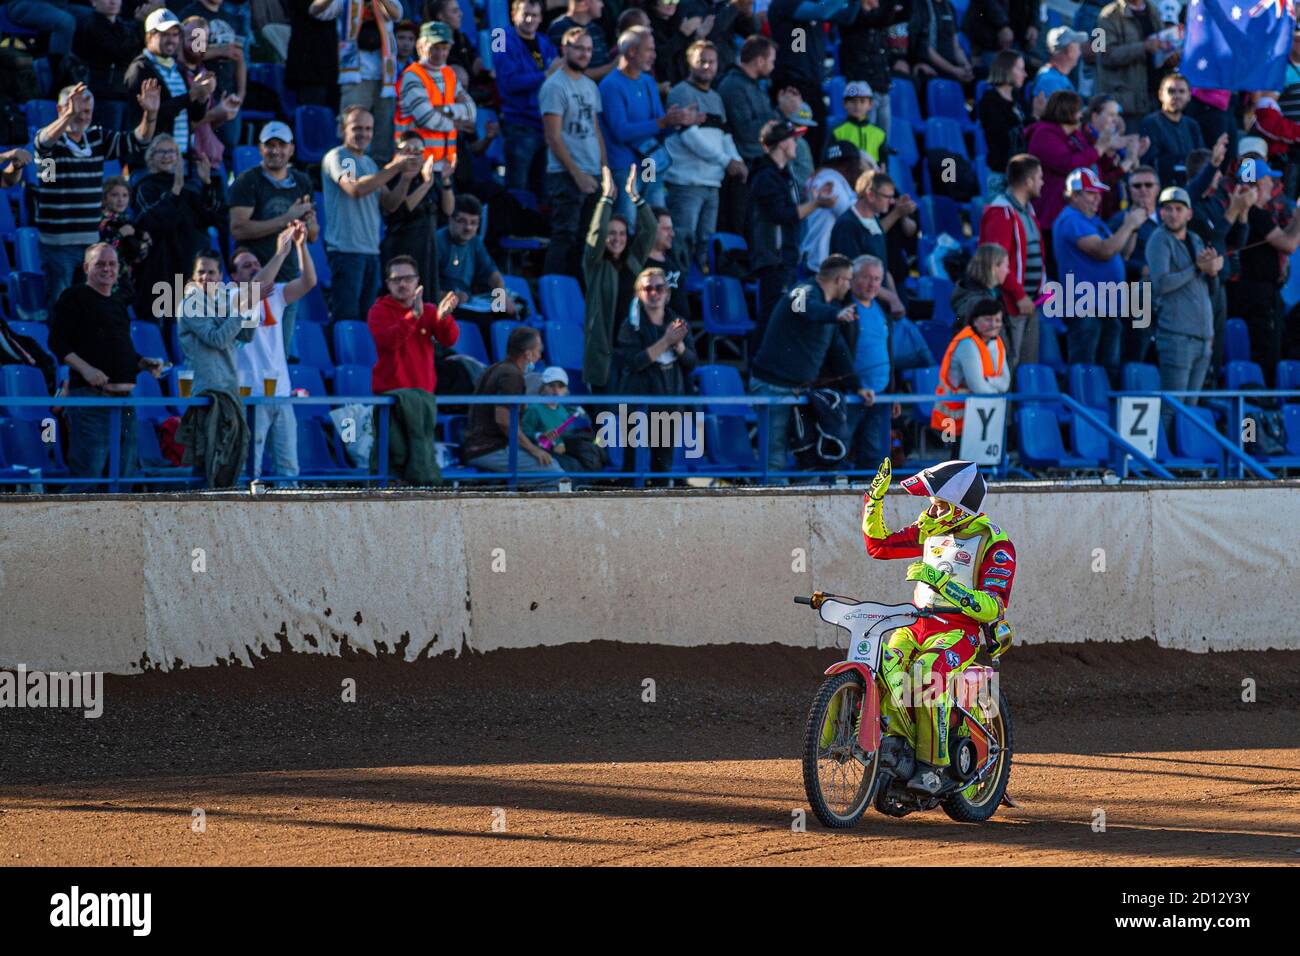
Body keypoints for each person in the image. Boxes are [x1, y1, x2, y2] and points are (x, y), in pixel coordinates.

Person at [860, 457, 1016, 793]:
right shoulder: (930, 530)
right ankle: (896, 747)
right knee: (884, 665)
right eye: (931, 506)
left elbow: (992, 607)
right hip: (917, 623)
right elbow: (879, 547)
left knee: (927, 674)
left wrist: (941, 582)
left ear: (960, 508)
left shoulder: (995, 542)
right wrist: (874, 501)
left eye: (939, 506)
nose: (930, 513)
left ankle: (933, 768)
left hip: (960, 631)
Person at [49, 243, 166, 491]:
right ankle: (64, 526)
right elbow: (57, 342)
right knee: (88, 474)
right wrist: (86, 370)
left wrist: (143, 363)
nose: (107, 269)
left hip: (124, 400)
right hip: (91, 399)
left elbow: (120, 349)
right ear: (86, 267)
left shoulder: (118, 302)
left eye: (112, 264)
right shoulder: (74, 297)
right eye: (100, 264)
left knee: (125, 473)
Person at [34, 79, 162, 303]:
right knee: (61, 308)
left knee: (88, 310)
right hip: (58, 247)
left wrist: (150, 115)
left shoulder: (96, 137)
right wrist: (67, 117)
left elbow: (136, 141)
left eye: (87, 111)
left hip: (90, 244)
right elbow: (43, 145)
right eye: (77, 110)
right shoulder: (52, 144)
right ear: (60, 109)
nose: (83, 116)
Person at [749, 254, 865, 483]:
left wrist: (858, 388)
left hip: (801, 393)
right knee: (773, 460)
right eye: (849, 279)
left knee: (811, 458)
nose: (850, 286)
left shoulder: (831, 309)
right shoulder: (802, 291)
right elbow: (804, 307)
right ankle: (770, 515)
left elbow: (839, 352)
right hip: (774, 388)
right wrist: (835, 315)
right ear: (840, 280)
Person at [231, 222, 318, 486]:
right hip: (249, 396)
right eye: (246, 265)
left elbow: (309, 282)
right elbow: (257, 286)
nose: (255, 267)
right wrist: (280, 252)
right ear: (233, 276)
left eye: (256, 262)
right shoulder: (232, 295)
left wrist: (301, 247)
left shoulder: (276, 294)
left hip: (280, 394)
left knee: (289, 469)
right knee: (249, 470)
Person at [228, 121, 320, 355]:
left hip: (286, 281)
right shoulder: (247, 181)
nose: (276, 150)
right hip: (252, 283)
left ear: (291, 149)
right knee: (246, 351)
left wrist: (308, 223)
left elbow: (313, 235)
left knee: (279, 352)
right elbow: (238, 229)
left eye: (281, 145)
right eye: (270, 145)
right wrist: (286, 218)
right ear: (260, 148)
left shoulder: (302, 182)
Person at [322, 105, 414, 325]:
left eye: (368, 128)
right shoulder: (339, 157)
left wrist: (406, 176)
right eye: (357, 128)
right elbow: (355, 189)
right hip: (346, 251)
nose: (363, 134)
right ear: (343, 129)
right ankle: (343, 360)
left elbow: (390, 204)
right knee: (346, 320)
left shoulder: (370, 163)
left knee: (367, 321)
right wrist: (394, 167)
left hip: (371, 252)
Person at [747, 119, 836, 342]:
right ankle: (758, 371)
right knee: (771, 318)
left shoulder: (783, 175)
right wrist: (816, 204)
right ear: (782, 144)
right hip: (773, 258)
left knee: (778, 318)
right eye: (793, 140)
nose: (797, 144)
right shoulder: (766, 176)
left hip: (785, 257)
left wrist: (815, 199)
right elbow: (781, 215)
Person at [1053, 166, 1145, 381]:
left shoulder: (1093, 221)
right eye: (1091, 193)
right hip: (1086, 306)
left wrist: (1133, 228)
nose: (1097, 199)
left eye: (1098, 194)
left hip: (1106, 306)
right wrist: (1128, 224)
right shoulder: (1071, 220)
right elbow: (1104, 251)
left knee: (1108, 368)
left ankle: (1101, 411)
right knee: (1085, 368)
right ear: (1074, 195)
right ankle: (1082, 411)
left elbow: (1124, 253)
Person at [663, 40, 746, 272]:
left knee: (705, 245)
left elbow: (725, 136)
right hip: (686, 183)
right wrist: (725, 161)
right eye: (701, 61)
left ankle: (701, 301)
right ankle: (678, 293)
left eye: (711, 61)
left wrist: (737, 159)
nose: (707, 66)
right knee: (681, 240)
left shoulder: (717, 98)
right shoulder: (680, 92)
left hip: (712, 183)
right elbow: (690, 138)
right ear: (690, 63)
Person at [599, 26, 698, 217]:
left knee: (654, 217)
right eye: (649, 50)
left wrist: (678, 121)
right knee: (629, 221)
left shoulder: (647, 81)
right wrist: (662, 122)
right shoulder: (610, 85)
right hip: (625, 167)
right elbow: (621, 131)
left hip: (650, 164)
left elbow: (659, 125)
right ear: (631, 51)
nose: (654, 55)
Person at [1146, 185, 1221, 436]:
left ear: (1189, 214)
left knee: (1191, 409)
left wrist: (1212, 271)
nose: (1173, 214)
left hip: (1202, 337)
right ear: (1161, 213)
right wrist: (1197, 268)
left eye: (1179, 209)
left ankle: (1183, 463)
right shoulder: (1159, 239)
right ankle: (1161, 464)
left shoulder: (1196, 239)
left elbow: (1209, 287)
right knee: (1173, 407)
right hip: (1176, 335)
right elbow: (1162, 284)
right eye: (1168, 209)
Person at [132, 132, 225, 332]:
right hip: (160, 271)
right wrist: (174, 191)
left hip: (190, 268)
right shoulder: (144, 187)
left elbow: (215, 218)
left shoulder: (191, 187)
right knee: (162, 326)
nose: (167, 156)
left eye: (172, 151)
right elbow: (153, 223)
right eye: (161, 151)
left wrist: (207, 183)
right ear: (151, 156)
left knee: (192, 325)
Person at [613, 266, 700, 478]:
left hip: (669, 403)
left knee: (662, 469)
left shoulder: (677, 322)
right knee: (632, 468)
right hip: (638, 405)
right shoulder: (630, 325)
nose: (654, 293)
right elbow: (634, 362)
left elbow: (691, 362)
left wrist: (679, 346)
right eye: (648, 288)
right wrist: (666, 341)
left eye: (659, 288)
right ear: (639, 294)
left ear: (667, 293)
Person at [540, 25, 608, 278]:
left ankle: (578, 298)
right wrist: (577, 174)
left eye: (589, 49)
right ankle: (554, 295)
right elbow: (553, 137)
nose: (585, 54)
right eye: (579, 48)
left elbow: (596, 131)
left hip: (593, 172)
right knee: (564, 236)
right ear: (565, 49)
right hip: (566, 173)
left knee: (587, 240)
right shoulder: (554, 86)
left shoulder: (591, 86)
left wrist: (604, 170)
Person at [583, 166, 658, 393]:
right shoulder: (595, 265)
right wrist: (606, 198)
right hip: (606, 354)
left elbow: (651, 229)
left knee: (631, 421)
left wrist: (635, 196)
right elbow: (594, 236)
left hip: (632, 352)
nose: (617, 238)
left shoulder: (634, 262)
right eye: (611, 233)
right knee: (607, 421)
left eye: (622, 233)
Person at [460, 326, 566, 480]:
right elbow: (504, 421)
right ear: (528, 354)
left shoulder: (496, 368)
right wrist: (533, 450)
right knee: (555, 474)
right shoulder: (512, 375)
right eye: (538, 351)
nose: (540, 356)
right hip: (489, 449)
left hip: (481, 446)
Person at [1232, 161, 1300, 380]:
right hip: (1258, 295)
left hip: (1258, 293)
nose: (1274, 183)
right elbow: (1288, 245)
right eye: (1269, 178)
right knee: (1266, 350)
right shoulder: (1254, 214)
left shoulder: (1255, 213)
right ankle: (1263, 401)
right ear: (1258, 183)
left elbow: (1283, 235)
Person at [716, 34, 788, 232]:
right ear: (759, 61)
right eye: (771, 61)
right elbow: (747, 131)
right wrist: (781, 111)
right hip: (742, 175)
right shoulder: (732, 86)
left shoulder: (757, 86)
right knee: (740, 228)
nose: (773, 66)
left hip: (758, 170)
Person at [979, 153, 1044, 362]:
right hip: (1011, 305)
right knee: (1010, 365)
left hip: (1030, 303)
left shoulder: (1027, 211)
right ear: (1028, 182)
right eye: (1040, 177)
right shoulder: (1000, 213)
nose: (1043, 183)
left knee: (1027, 366)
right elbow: (995, 263)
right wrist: (1019, 295)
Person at [768, 0, 853, 159]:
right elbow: (821, 12)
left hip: (812, 84)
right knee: (797, 139)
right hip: (791, 85)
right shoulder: (784, 4)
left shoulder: (816, 6)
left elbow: (847, 17)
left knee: (817, 138)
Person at [124, 9, 214, 159]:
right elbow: (151, 115)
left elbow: (195, 117)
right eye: (164, 34)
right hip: (152, 158)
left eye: (175, 34)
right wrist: (191, 95)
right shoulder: (141, 69)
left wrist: (202, 96)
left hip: (180, 156)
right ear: (149, 37)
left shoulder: (178, 69)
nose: (171, 40)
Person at [393, 21, 477, 167]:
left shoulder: (449, 75)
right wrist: (455, 122)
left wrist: (442, 109)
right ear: (420, 47)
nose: (440, 53)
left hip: (444, 162)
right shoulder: (412, 76)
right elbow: (427, 118)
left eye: (444, 48)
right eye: (434, 48)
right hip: (415, 161)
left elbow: (471, 111)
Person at [497, 0, 559, 194]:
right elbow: (507, 81)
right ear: (514, 15)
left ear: (541, 18)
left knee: (543, 189)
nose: (530, 19)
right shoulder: (499, 37)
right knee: (517, 189)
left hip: (545, 125)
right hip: (519, 126)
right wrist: (545, 75)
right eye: (525, 14)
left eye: (535, 15)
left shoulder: (545, 42)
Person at [381, 130, 455, 293]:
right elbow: (399, 210)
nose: (413, 156)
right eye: (407, 151)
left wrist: (445, 181)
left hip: (427, 251)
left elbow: (448, 210)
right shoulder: (390, 177)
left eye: (418, 152)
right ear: (397, 153)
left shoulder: (428, 176)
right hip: (401, 250)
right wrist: (425, 185)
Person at [842, 254, 895, 470]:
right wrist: (854, 385)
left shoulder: (882, 308)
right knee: (839, 450)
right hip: (850, 394)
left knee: (873, 455)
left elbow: (888, 352)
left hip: (880, 394)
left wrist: (893, 391)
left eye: (877, 279)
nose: (872, 284)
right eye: (866, 277)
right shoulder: (845, 308)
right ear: (852, 278)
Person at [435, 195, 514, 339]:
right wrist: (449, 297)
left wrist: (501, 299)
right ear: (450, 219)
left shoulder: (475, 242)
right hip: (444, 308)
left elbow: (493, 275)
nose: (468, 228)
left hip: (467, 303)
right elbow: (425, 288)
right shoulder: (437, 242)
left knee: (507, 314)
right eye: (462, 221)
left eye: (474, 223)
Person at [333, 0, 402, 166]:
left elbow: (397, 14)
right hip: (355, 73)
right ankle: (348, 169)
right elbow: (318, 11)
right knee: (351, 124)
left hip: (385, 76)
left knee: (384, 130)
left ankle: (381, 176)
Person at [931, 298, 1010, 438]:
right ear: (974, 321)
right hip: (955, 419)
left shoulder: (996, 343)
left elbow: (1005, 383)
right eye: (988, 319)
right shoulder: (966, 344)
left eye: (998, 320)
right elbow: (977, 386)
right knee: (962, 459)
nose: (994, 324)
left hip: (980, 415)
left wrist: (987, 380)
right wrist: (993, 386)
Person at [1109, 164, 1161, 361]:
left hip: (1167, 293)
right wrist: (1141, 269)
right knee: (1138, 352)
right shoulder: (1118, 221)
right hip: (1135, 296)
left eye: (1148, 185)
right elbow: (1112, 258)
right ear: (1129, 190)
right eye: (1137, 186)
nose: (1143, 190)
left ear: (1157, 188)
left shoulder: (1169, 219)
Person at [839, 0, 911, 137]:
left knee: (882, 141)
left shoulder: (879, 23)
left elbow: (904, 16)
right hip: (862, 93)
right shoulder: (852, 16)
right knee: (865, 141)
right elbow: (878, 19)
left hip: (882, 87)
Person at [76, 0, 145, 133]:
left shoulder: (123, 26)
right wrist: (139, 23)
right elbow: (120, 52)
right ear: (94, 2)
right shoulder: (90, 25)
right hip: (104, 96)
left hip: (124, 95)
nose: (113, 1)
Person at [801, 140, 863, 272]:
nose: (859, 170)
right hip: (819, 263)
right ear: (847, 165)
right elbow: (853, 217)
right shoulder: (831, 181)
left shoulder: (824, 177)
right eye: (857, 166)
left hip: (815, 258)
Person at [1095, 0, 1160, 119]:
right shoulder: (1106, 16)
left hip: (1156, 97)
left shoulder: (1153, 11)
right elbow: (1104, 55)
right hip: (1127, 104)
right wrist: (1144, 47)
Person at [951, 242, 1017, 356]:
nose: (1008, 271)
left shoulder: (993, 296)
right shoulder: (980, 303)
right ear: (993, 267)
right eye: (1005, 266)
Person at [978, 49, 1028, 199]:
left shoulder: (1017, 98)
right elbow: (1000, 135)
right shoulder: (989, 100)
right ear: (1007, 70)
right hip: (1001, 175)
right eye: (1020, 69)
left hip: (1020, 173)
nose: (1025, 74)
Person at [1139, 74, 1205, 188]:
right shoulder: (1151, 123)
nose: (1177, 96)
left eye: (1181, 91)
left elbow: (1200, 159)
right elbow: (1151, 163)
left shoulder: (1192, 125)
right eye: (1171, 91)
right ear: (1160, 95)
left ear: (1189, 96)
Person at [909, 0, 975, 97]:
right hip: (932, 66)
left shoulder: (949, 7)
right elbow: (926, 49)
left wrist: (966, 65)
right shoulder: (921, 6)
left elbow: (956, 46)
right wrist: (954, 70)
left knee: (979, 75)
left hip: (951, 65)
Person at [547, 0, 616, 82]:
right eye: (598, 1)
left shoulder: (597, 30)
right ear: (584, 3)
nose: (602, 5)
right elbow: (567, 71)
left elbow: (604, 61)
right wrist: (612, 67)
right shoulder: (558, 29)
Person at [831, 81, 886, 168]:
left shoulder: (879, 134)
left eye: (862, 101)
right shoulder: (837, 132)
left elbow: (883, 164)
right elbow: (831, 161)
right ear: (845, 104)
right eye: (853, 101)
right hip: (847, 177)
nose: (857, 106)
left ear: (870, 104)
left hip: (872, 178)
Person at [1030, 26, 1084, 101]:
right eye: (1078, 48)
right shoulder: (1050, 81)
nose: (1080, 53)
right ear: (1070, 50)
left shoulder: (1057, 77)